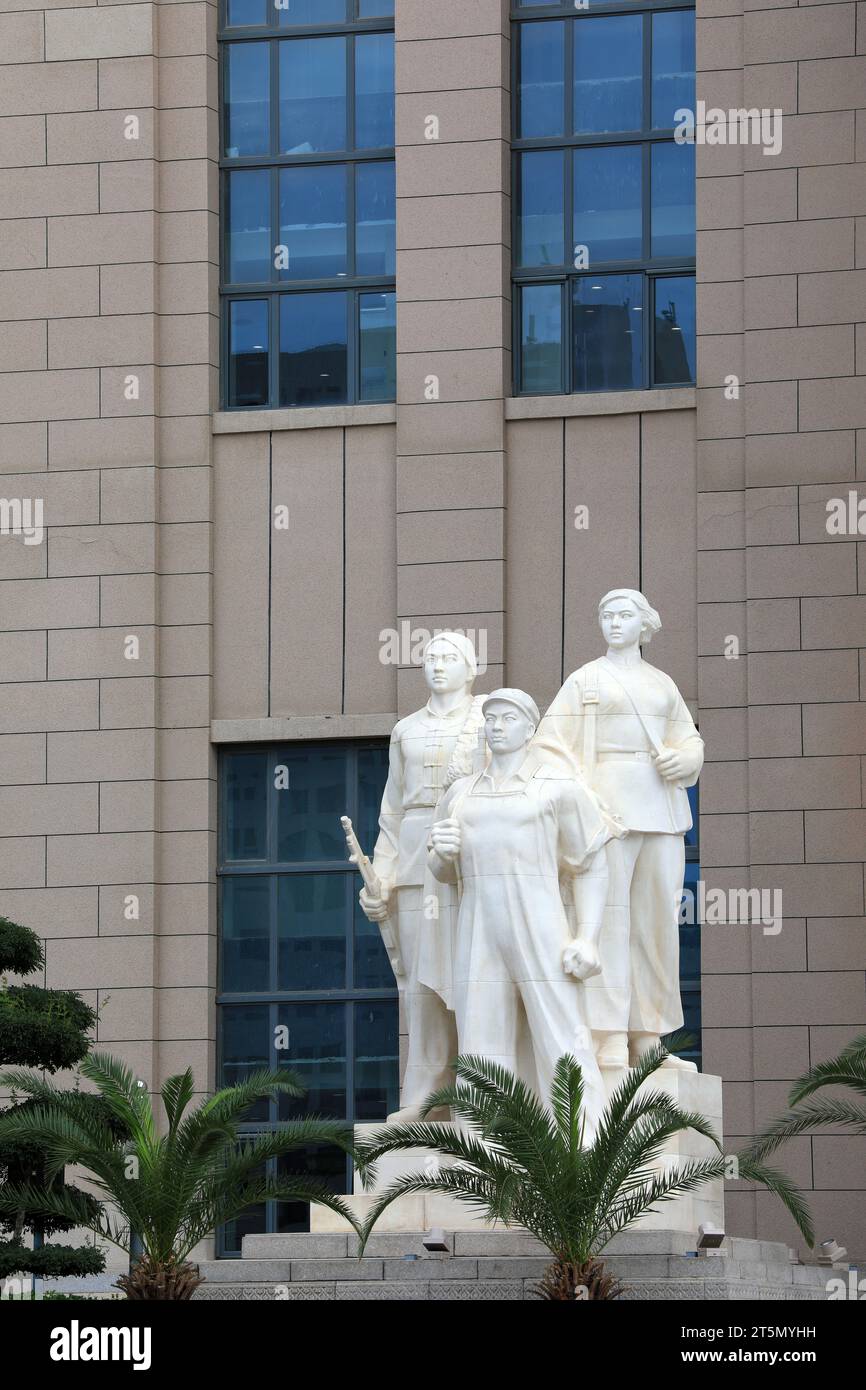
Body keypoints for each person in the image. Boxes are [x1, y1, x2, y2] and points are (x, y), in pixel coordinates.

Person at [427, 689, 619, 1135]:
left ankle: (584, 1141)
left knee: (561, 1032)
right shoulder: (460, 793)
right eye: (490, 718)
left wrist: (587, 936)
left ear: (530, 727)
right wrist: (442, 854)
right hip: (478, 927)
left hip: (540, 923)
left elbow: (590, 862)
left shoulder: (557, 787)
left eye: (508, 717)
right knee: (481, 1040)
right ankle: (483, 1147)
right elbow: (440, 870)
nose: (496, 725)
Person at [531, 589, 704, 1072]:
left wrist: (686, 757)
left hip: (660, 813)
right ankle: (606, 1034)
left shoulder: (662, 684)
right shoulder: (585, 678)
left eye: (624, 615)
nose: (614, 622)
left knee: (655, 928)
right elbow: (547, 744)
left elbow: (689, 739)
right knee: (604, 924)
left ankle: (648, 1035)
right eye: (606, 615)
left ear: (644, 624)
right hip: (604, 812)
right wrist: (579, 800)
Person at [359, 632, 485, 1121]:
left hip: (467, 860)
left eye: (449, 658)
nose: (437, 665)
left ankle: (480, 1097)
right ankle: (426, 1097)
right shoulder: (405, 730)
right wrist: (382, 879)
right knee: (420, 988)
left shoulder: (486, 720)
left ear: (470, 668)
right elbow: (391, 813)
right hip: (414, 861)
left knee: (473, 979)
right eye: (430, 657)